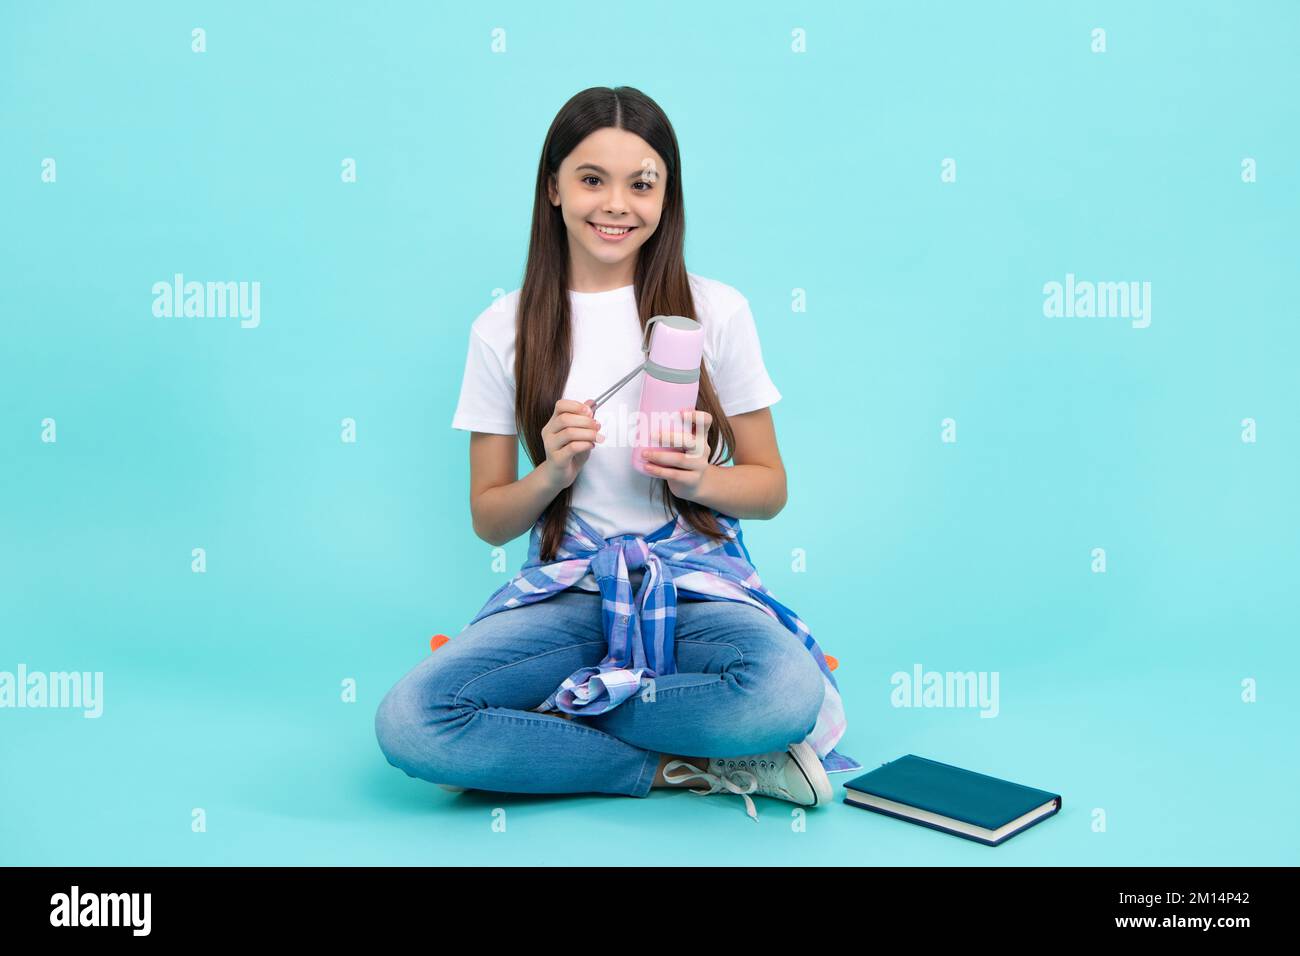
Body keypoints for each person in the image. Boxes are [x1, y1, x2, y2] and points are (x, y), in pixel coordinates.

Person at [374, 86, 842, 820]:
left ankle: (542, 729)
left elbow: (771, 488)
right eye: (592, 179)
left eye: (642, 183)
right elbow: (491, 520)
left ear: (666, 195)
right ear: (553, 187)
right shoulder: (504, 328)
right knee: (413, 722)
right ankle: (679, 768)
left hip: (695, 587)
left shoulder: (715, 310)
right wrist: (552, 473)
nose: (616, 204)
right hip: (570, 593)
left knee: (784, 693)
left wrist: (703, 478)